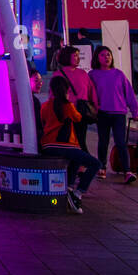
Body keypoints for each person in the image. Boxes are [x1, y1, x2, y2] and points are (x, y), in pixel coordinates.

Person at [40, 74, 102, 213]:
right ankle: (78, 193)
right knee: (95, 164)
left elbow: (43, 120)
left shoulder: (45, 106)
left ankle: (68, 188)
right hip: (66, 145)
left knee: (75, 159)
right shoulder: (68, 106)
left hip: (48, 145)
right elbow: (78, 118)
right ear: (66, 90)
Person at [88, 46, 138, 183]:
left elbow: (129, 94)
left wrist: (135, 111)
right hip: (102, 113)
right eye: (103, 55)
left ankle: (127, 171)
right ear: (97, 58)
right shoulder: (93, 75)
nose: (107, 57)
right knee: (103, 141)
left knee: (121, 142)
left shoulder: (119, 74)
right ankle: (102, 167)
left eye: (109, 55)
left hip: (119, 113)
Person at [54, 45, 97, 154]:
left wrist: (96, 107)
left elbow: (92, 92)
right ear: (67, 57)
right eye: (75, 55)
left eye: (78, 56)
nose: (78, 58)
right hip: (66, 113)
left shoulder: (83, 73)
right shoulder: (59, 74)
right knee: (70, 139)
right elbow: (53, 94)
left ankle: (81, 164)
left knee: (80, 138)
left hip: (81, 112)